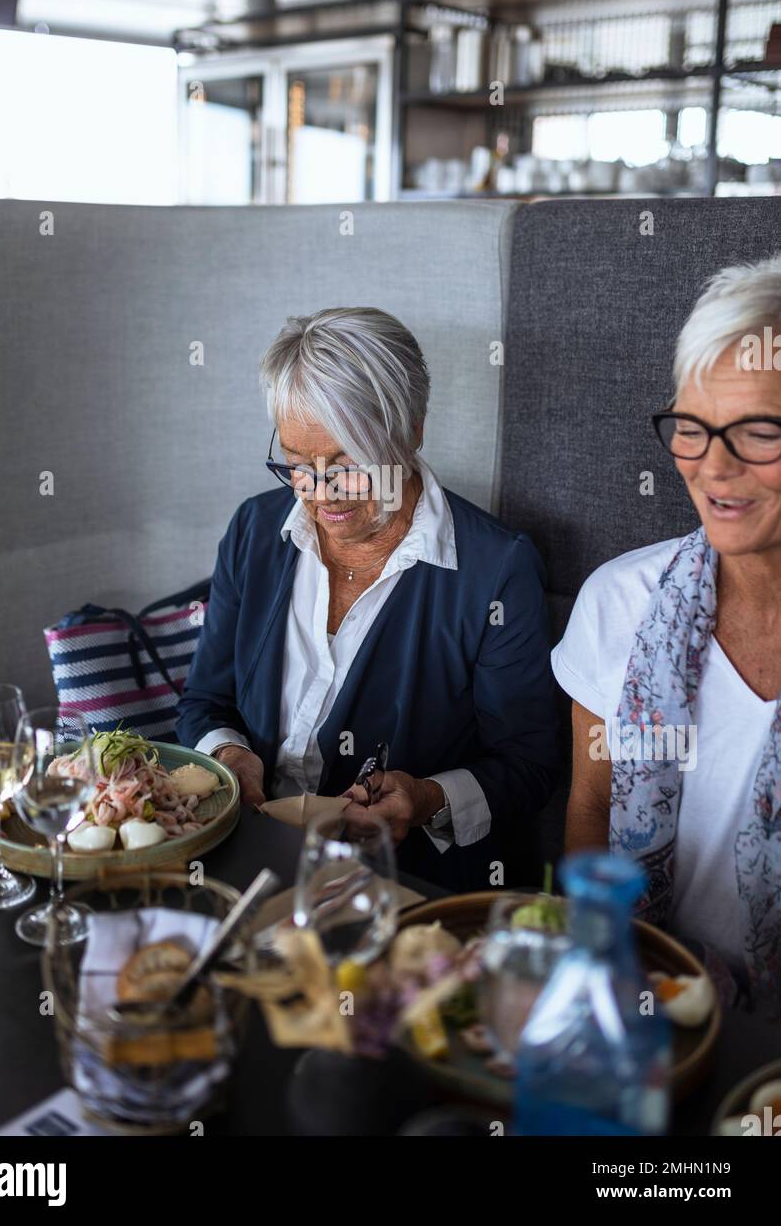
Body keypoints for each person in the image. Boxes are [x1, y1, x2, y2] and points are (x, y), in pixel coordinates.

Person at [177, 306, 560, 890]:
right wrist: (230, 758)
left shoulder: (494, 568)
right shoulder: (254, 532)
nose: (319, 494)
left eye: (349, 466)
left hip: (404, 884)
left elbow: (531, 763)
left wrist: (429, 796)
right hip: (248, 859)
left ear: (412, 431)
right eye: (298, 465)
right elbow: (206, 700)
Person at [554, 254, 781, 1013]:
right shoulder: (619, 603)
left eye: (757, 432)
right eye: (693, 428)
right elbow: (590, 808)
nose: (713, 468)